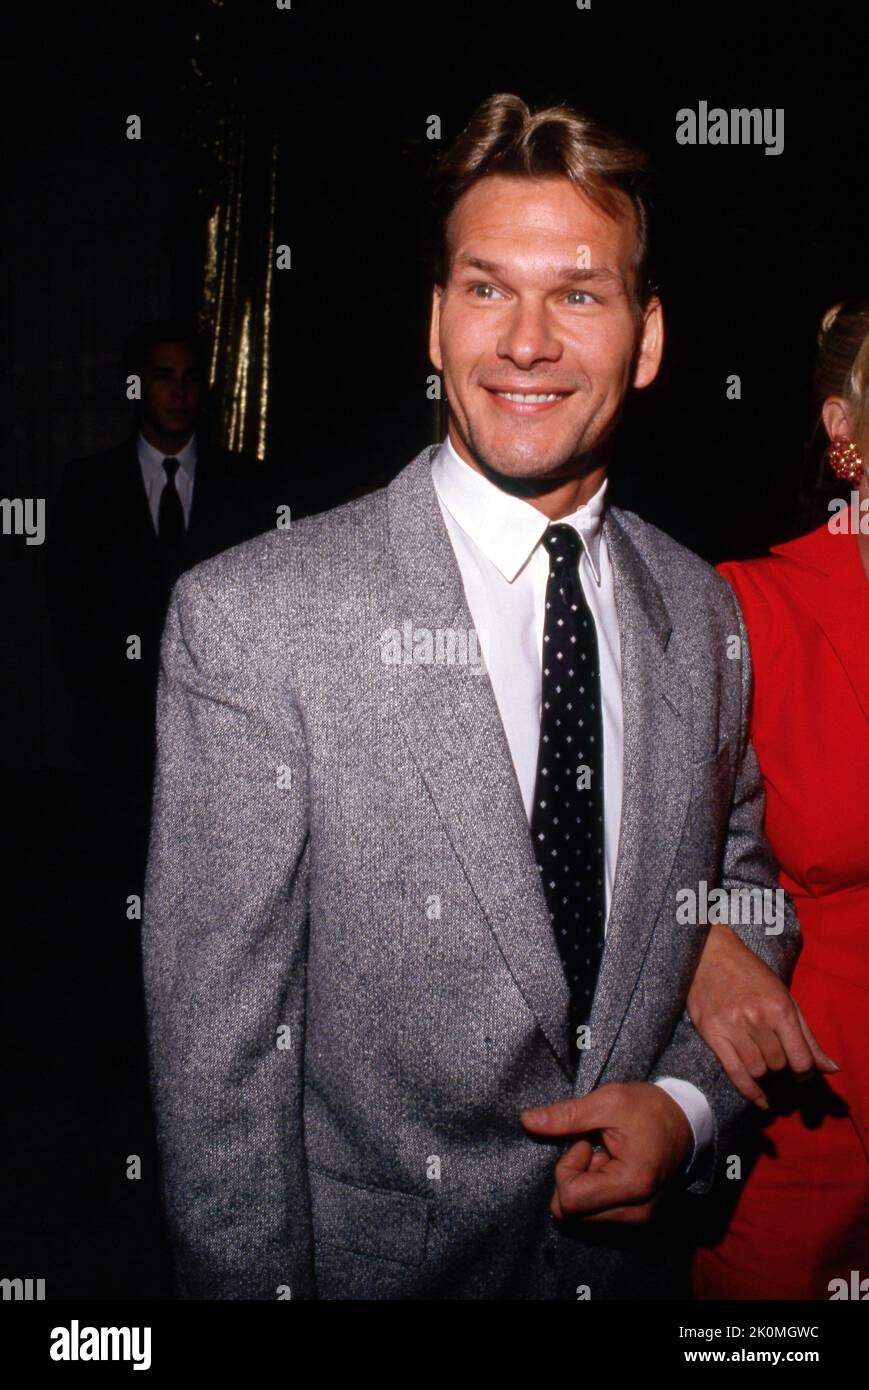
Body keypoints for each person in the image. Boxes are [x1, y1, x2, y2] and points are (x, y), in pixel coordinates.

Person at [141, 93, 799, 1301]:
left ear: (646, 341)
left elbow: (738, 886)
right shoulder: (255, 623)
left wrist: (683, 1102)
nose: (527, 341)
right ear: (435, 324)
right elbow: (213, 1075)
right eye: (487, 289)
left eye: (579, 294)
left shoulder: (700, 610)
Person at [689, 298, 869, 1300]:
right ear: (843, 433)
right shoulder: (748, 606)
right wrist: (695, 940)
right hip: (808, 1116)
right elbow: (645, 861)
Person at [45, 318, 277, 783]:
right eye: (163, 376)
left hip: (220, 737)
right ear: (137, 386)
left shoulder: (247, 487)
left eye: (190, 377)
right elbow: (72, 608)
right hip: (117, 738)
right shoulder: (89, 486)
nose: (179, 392)